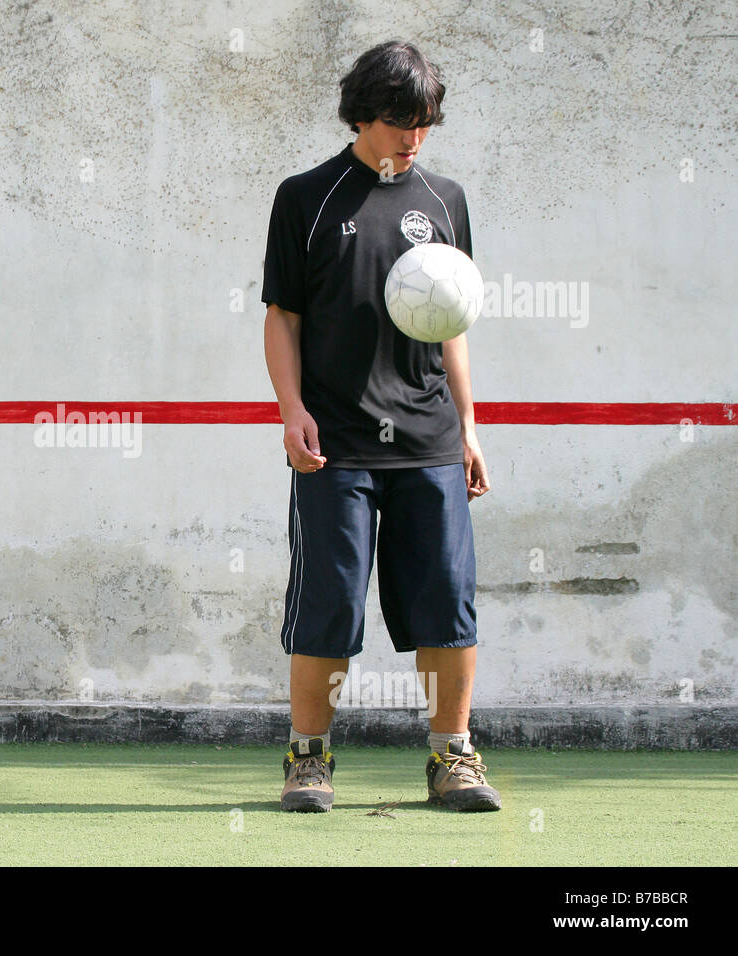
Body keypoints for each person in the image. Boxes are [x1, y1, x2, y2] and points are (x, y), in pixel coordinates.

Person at [260, 40, 500, 813]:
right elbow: (282, 316)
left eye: (424, 122)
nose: (413, 137)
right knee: (328, 605)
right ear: (362, 112)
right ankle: (309, 760)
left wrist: (469, 425)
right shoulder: (307, 197)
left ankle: (452, 759)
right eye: (400, 120)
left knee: (447, 601)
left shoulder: (445, 198)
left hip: (428, 440)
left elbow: (452, 324)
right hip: (336, 446)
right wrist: (291, 411)